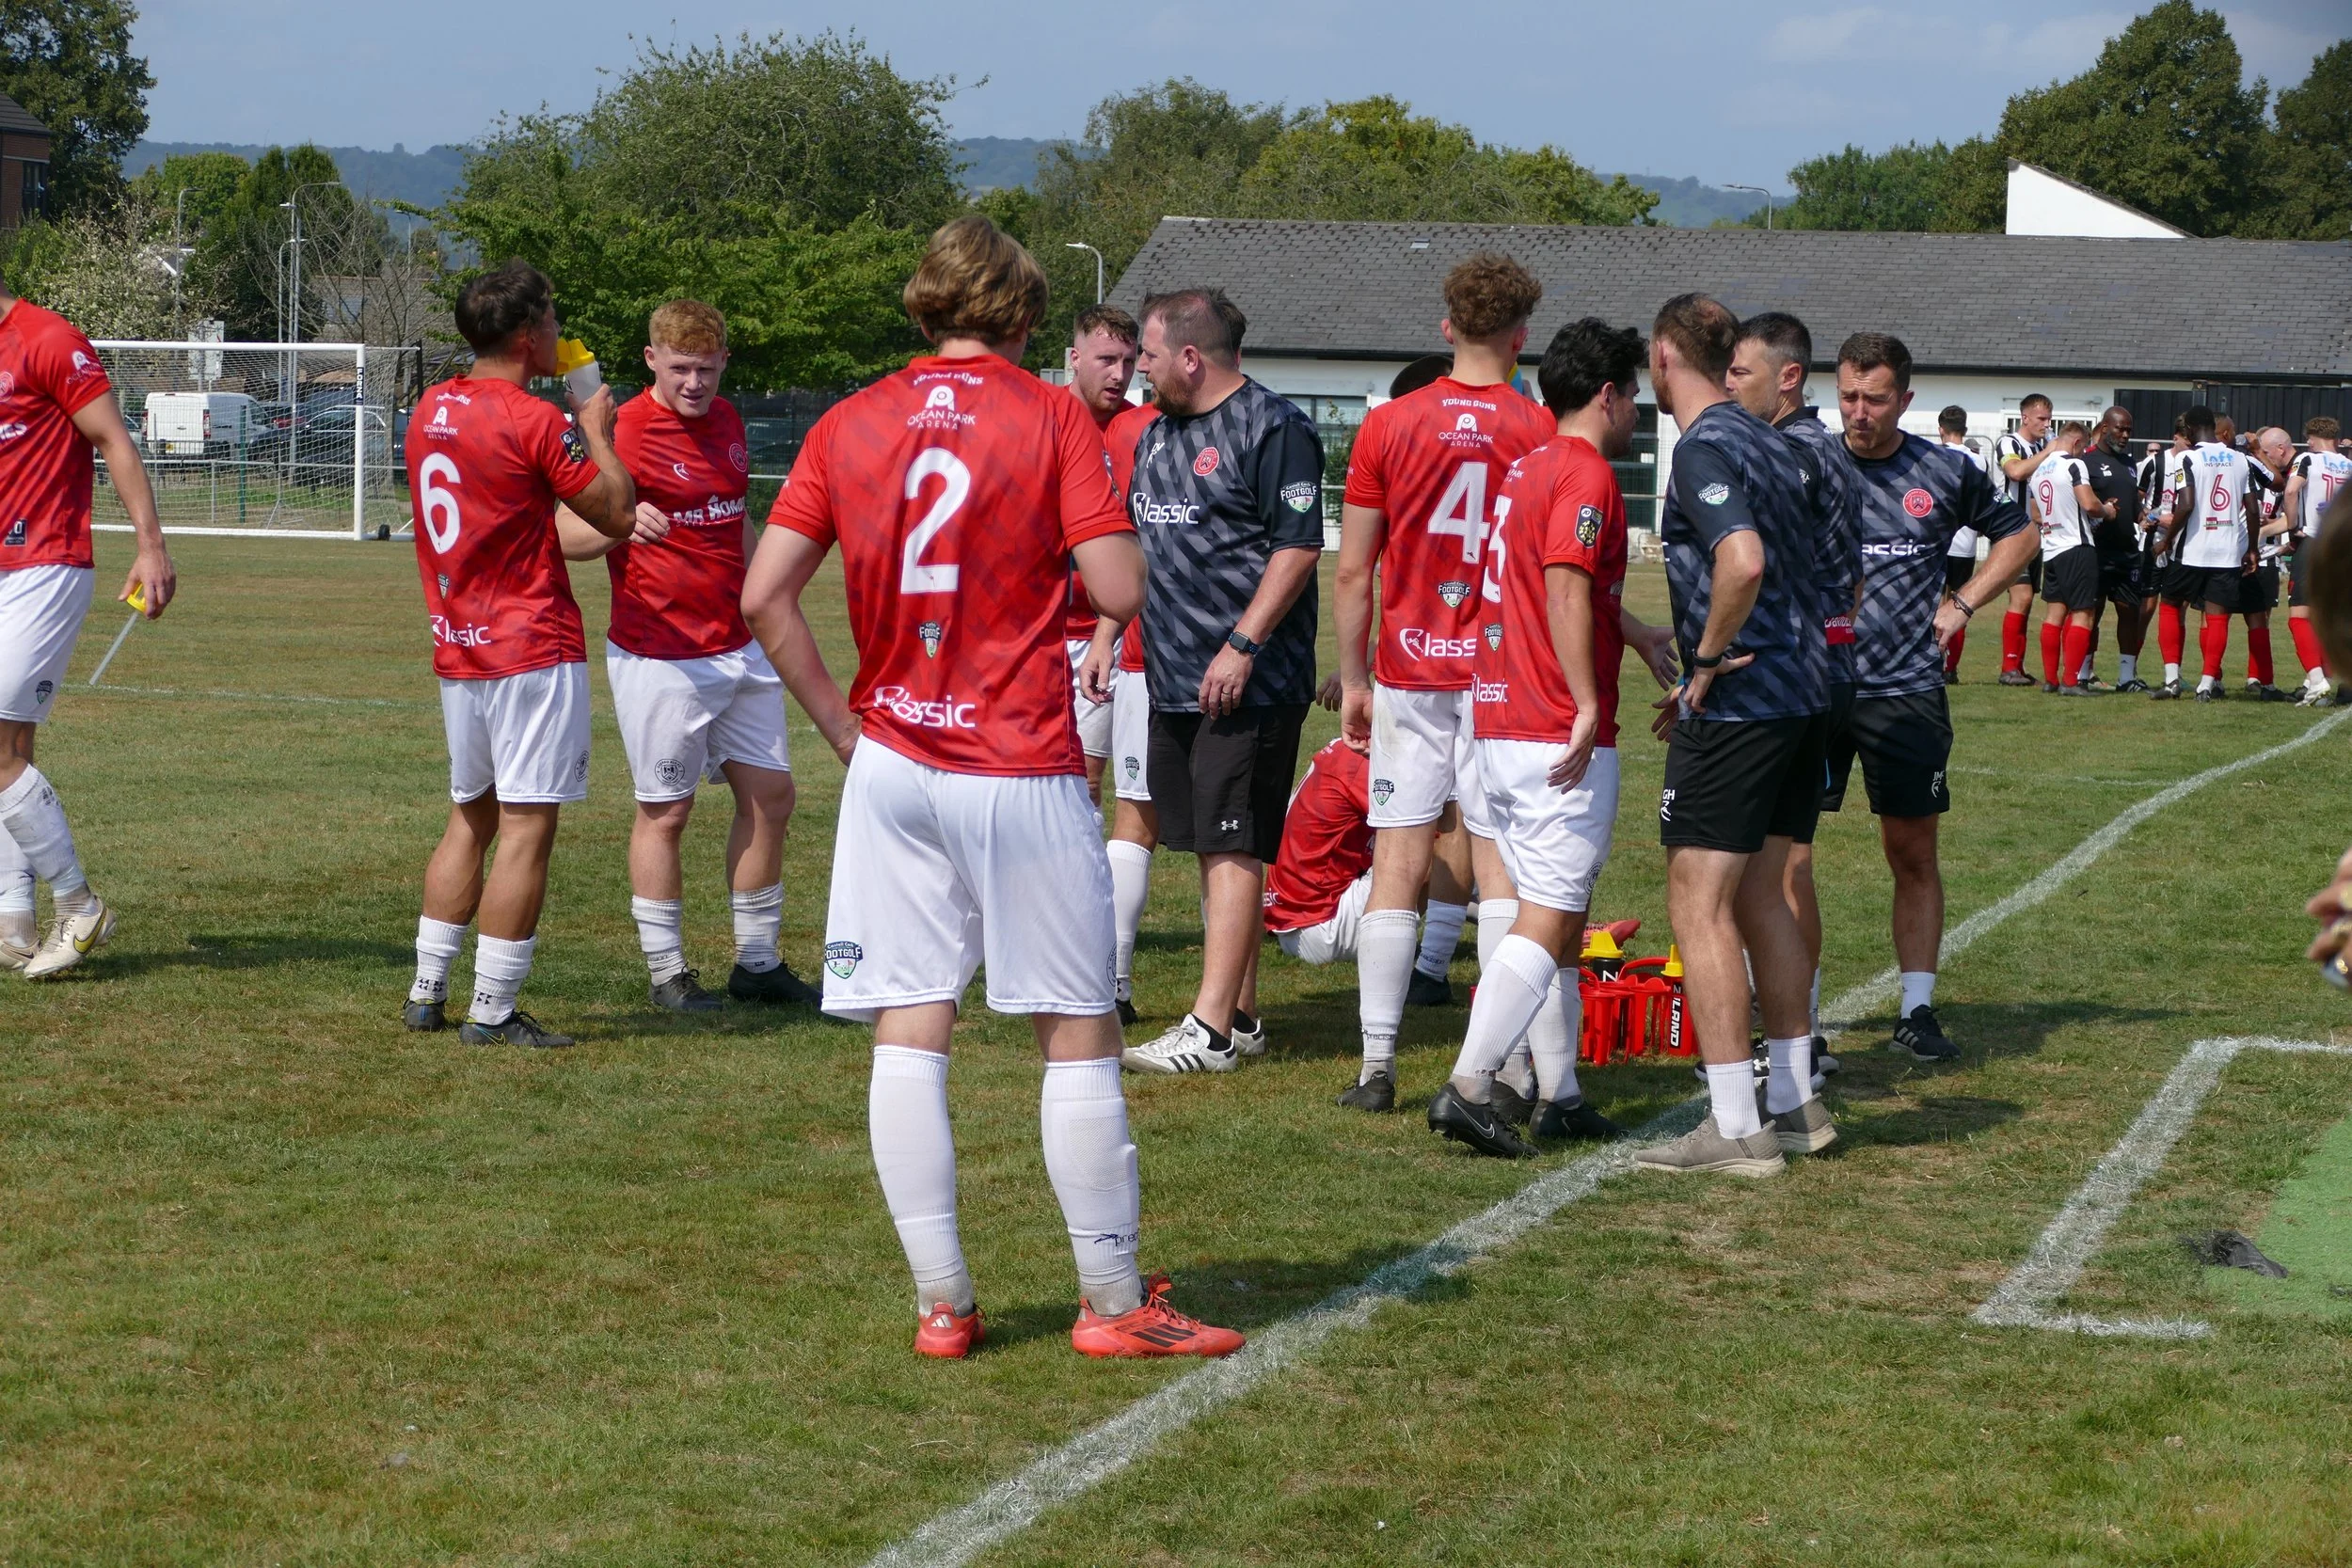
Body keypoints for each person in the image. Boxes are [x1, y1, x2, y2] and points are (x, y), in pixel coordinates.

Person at [741, 215, 1242, 1361]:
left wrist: (845, 730)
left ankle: (943, 1303)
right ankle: (1113, 1303)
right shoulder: (1053, 412)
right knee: (1075, 1027)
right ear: (1023, 316)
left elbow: (767, 596)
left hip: (896, 760)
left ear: (921, 307)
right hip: (1011, 754)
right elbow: (1115, 583)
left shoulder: (848, 419)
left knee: (909, 1026)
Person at [1430, 316, 1678, 1157]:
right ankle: (1470, 1082)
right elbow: (1566, 587)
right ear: (1608, 394)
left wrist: (1637, 632)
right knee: (1551, 914)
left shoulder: (1528, 466)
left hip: (1500, 714)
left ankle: (1561, 1090)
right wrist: (1582, 700)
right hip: (1548, 725)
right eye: (1634, 393)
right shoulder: (1585, 473)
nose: (1639, 409)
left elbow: (1559, 583)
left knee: (1559, 921)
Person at [1332, 252, 1554, 1112]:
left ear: (1446, 327)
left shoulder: (1390, 425)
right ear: (1521, 334)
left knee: (1399, 853)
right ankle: (1496, 1063)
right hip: (1499, 675)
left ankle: (1376, 1066)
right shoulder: (1538, 430)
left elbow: (1354, 572)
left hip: (1409, 667)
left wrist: (1354, 677)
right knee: (1501, 865)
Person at [554, 301, 819, 1013]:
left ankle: (757, 964)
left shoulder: (730, 422)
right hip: (660, 655)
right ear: (651, 361)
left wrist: (770, 590)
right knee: (665, 813)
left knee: (771, 798)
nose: (695, 382)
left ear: (724, 363)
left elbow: (735, 521)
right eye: (680, 369)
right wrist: (618, 523)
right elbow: (561, 534)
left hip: (740, 647)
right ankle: (669, 974)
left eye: (706, 368)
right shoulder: (624, 431)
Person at [402, 260, 638, 1045]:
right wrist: (597, 430)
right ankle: (494, 1010)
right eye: (554, 318)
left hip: (458, 642)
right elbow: (614, 511)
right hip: (529, 643)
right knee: (528, 827)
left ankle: (427, 988)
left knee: (471, 817)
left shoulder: (431, 405)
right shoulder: (531, 418)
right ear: (532, 334)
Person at [1630, 293, 1823, 1180]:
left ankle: (1734, 1125)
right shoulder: (1773, 439)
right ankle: (1792, 1104)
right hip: (1801, 692)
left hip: (1743, 701)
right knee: (1760, 900)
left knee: (1697, 900)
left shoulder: (1709, 441)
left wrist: (1705, 661)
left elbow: (1739, 559)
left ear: (1664, 353)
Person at [1118, 288, 1325, 1076]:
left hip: (1247, 682)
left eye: (1149, 352)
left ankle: (1207, 1031)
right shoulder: (1158, 434)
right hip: (1171, 676)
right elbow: (1144, 544)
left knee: (1234, 844)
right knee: (1209, 844)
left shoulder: (1276, 427)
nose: (1142, 365)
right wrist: (1112, 632)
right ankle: (1239, 1014)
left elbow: (1298, 546)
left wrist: (1243, 643)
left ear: (1191, 356)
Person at [1834, 332, 2036, 1061]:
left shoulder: (1944, 469)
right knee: (1784, 855)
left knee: (1912, 853)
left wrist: (1966, 602)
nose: (1859, 412)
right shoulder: (1809, 462)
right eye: (1849, 396)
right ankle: (1799, 1020)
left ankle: (1916, 1012)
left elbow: (2020, 535)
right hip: (1814, 691)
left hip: (1906, 691)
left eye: (1875, 398)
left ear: (1906, 400)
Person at [0, 276, 176, 978]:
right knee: (13, 744)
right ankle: (14, 916)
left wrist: (151, 543)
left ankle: (78, 903)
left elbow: (112, 438)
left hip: (46, 563)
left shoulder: (47, 337)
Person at [1727, 310, 1862, 1067]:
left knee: (1774, 866)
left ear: (1787, 377)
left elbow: (1754, 569)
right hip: (1830, 664)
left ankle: (1794, 1032)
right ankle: (1798, 1030)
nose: (1726, 385)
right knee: (1786, 859)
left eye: (1739, 372)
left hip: (1791, 674)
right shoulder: (1825, 449)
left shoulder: (1787, 453)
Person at [1084, 388, 1165, 1025]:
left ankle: (1112, 981)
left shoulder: (1128, 431)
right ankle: (1236, 1010)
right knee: (1237, 845)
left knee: (1135, 818)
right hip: (1222, 651)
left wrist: (1108, 632)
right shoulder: (1257, 420)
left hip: (1148, 648)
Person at [1063, 304, 1142, 801]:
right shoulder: (1039, 419)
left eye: (1129, 361)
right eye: (1106, 359)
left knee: (1085, 779)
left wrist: (1107, 630)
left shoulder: (1140, 430)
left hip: (1104, 631)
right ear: (1074, 357)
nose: (1120, 375)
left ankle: (1080, 880)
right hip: (1035, 630)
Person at [2154, 405, 2261, 704]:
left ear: (2189, 429)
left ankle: (2172, 680)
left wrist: (2167, 540)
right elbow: (2252, 509)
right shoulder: (2240, 459)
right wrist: (2251, 548)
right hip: (2226, 553)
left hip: (2192, 551)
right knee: (2217, 617)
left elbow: (2186, 504)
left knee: (2171, 606)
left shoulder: (2185, 458)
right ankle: (2206, 684)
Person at [2026, 420, 2114, 696]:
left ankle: (2051, 680)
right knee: (2083, 614)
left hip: (2051, 549)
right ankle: (2072, 681)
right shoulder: (2074, 465)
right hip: (2076, 546)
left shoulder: (2038, 470)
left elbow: (2035, 513)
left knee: (2054, 615)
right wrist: (2108, 510)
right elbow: (2089, 504)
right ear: (2077, 443)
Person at [2281, 416, 2349, 705]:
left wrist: (2292, 524)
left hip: (2314, 540)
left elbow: (2292, 490)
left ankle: (2316, 678)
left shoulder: (2307, 459)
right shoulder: (2349, 464)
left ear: (2310, 438)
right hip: (2345, 544)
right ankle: (2338, 681)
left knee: (2300, 614)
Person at [2082, 407, 2149, 691]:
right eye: (2120, 429)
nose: (2124, 435)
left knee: (2129, 612)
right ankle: (2083, 673)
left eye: (2129, 431)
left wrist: (2144, 516)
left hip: (2127, 550)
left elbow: (2132, 504)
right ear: (2105, 427)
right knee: (2090, 613)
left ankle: (2127, 678)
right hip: (2096, 551)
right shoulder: (2085, 462)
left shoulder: (2129, 462)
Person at [1992, 393, 2053, 685]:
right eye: (2041, 418)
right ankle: (2008, 668)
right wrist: (2050, 451)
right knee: (2023, 596)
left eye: (2049, 419)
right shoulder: (2009, 443)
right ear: (2025, 417)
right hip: (2010, 533)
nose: (2047, 424)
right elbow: (2014, 471)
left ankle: (2017, 666)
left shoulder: (2040, 446)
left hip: (2034, 534)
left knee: (2028, 601)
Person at [2242, 426, 2296, 701]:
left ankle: (2256, 676)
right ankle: (2212, 677)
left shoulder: (2279, 480)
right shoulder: (2243, 469)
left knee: (2262, 616)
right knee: (2218, 613)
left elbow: (2290, 514)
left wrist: (2268, 526)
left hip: (2266, 554)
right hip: (2238, 552)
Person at [2145, 418, 2196, 694]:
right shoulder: (2156, 463)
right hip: (2155, 543)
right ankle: (2130, 668)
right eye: (2186, 438)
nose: (2190, 443)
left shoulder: (2195, 463)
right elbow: (2137, 501)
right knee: (2148, 606)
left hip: (2184, 546)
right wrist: (2154, 516)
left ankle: (2174, 671)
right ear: (2176, 436)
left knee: (2179, 609)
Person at [1934, 405, 1982, 682]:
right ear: (1964, 429)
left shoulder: (1934, 457)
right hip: (1964, 543)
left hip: (1938, 541)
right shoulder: (1977, 461)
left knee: (1934, 604)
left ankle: (1933, 663)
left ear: (1941, 429)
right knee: (1959, 605)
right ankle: (1951, 669)